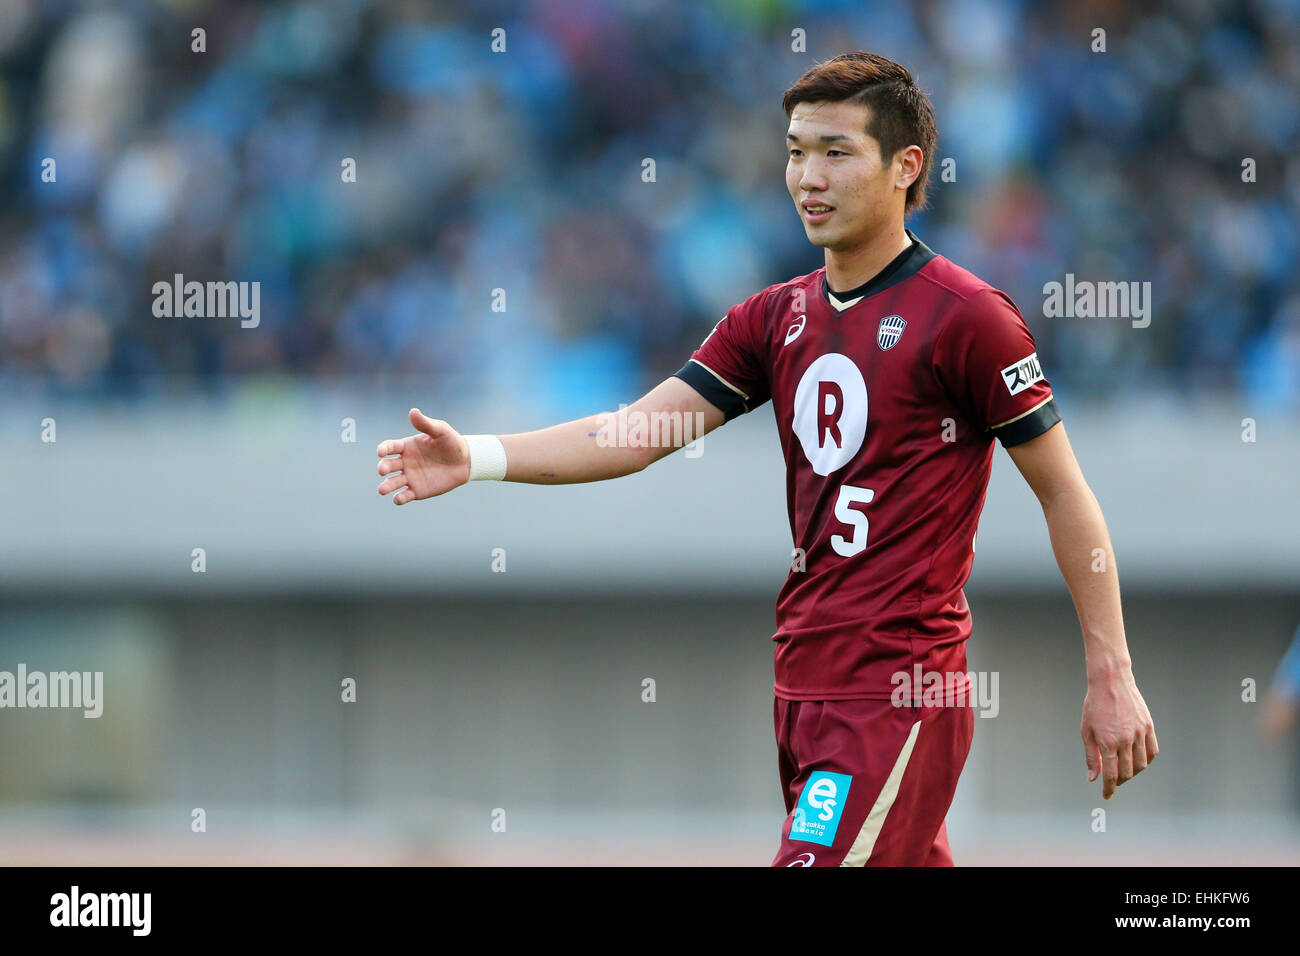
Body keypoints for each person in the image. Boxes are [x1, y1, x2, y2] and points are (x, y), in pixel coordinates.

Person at [375, 52, 1158, 866]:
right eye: (794, 151)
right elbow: (635, 434)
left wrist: (1112, 671)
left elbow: (1065, 493)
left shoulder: (968, 319)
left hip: (898, 692)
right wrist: (481, 455)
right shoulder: (772, 316)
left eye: (836, 151)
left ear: (906, 167)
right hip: (802, 688)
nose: (807, 176)